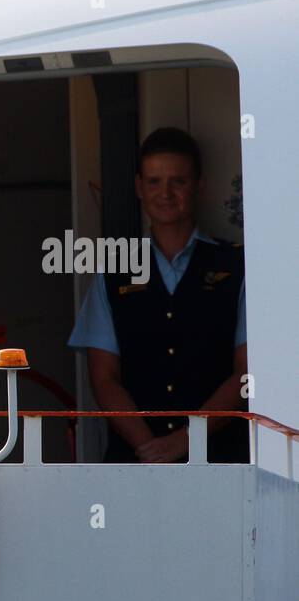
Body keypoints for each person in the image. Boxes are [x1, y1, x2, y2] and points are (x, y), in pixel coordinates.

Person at [68, 127, 247, 463]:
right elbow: (104, 378)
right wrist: (150, 448)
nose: (165, 192)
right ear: (139, 187)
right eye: (154, 181)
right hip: (135, 463)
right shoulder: (111, 274)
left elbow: (246, 375)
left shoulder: (238, 267)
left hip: (222, 463)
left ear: (199, 186)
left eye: (178, 181)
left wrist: (184, 441)